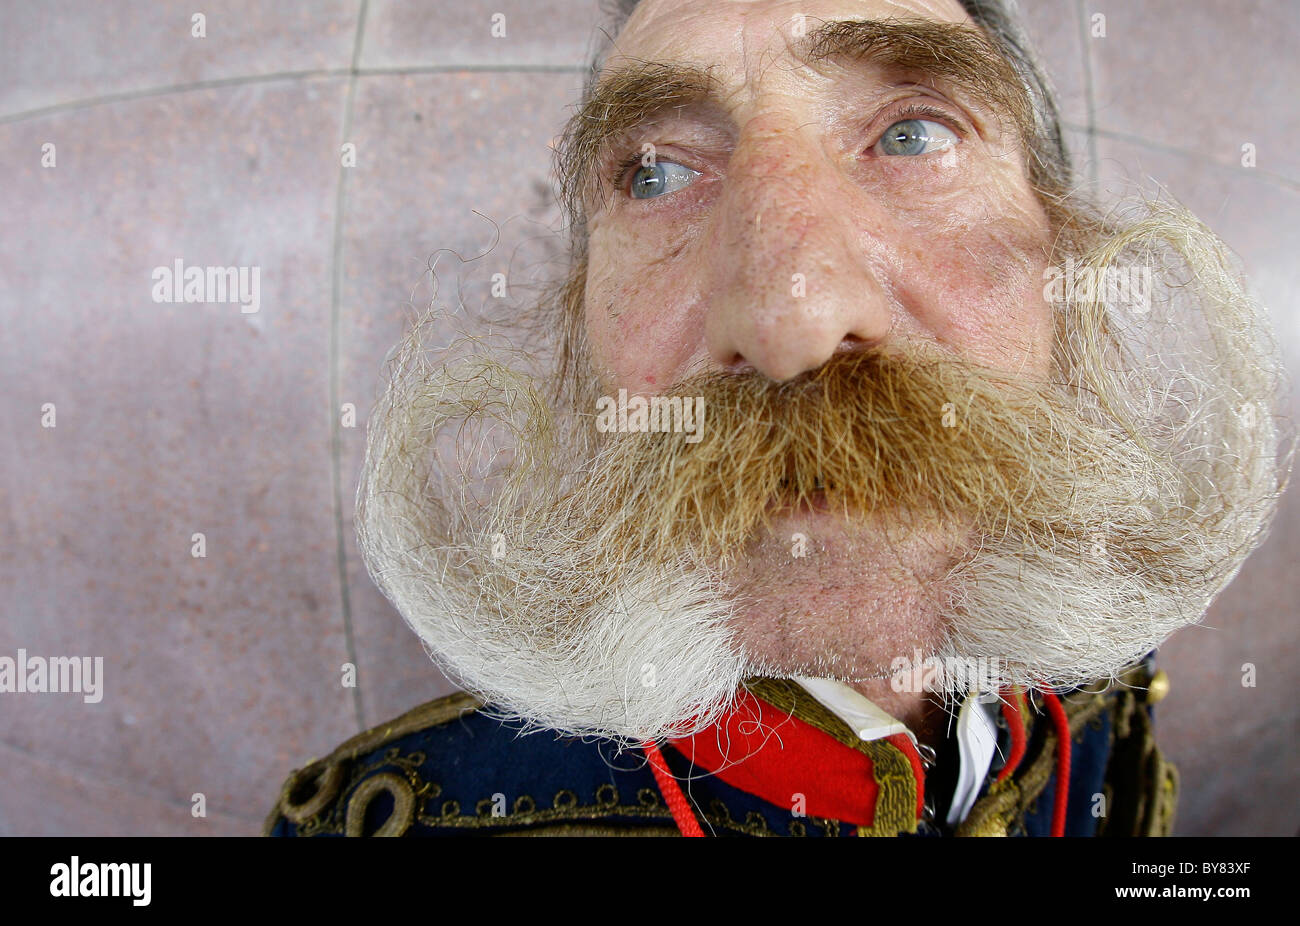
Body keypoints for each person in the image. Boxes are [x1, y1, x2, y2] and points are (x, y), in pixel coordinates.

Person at [265, 0, 1289, 837]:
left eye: (912, 134)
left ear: (1066, 257)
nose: (791, 322)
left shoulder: (1098, 700)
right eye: (656, 173)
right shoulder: (416, 814)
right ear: (578, 336)